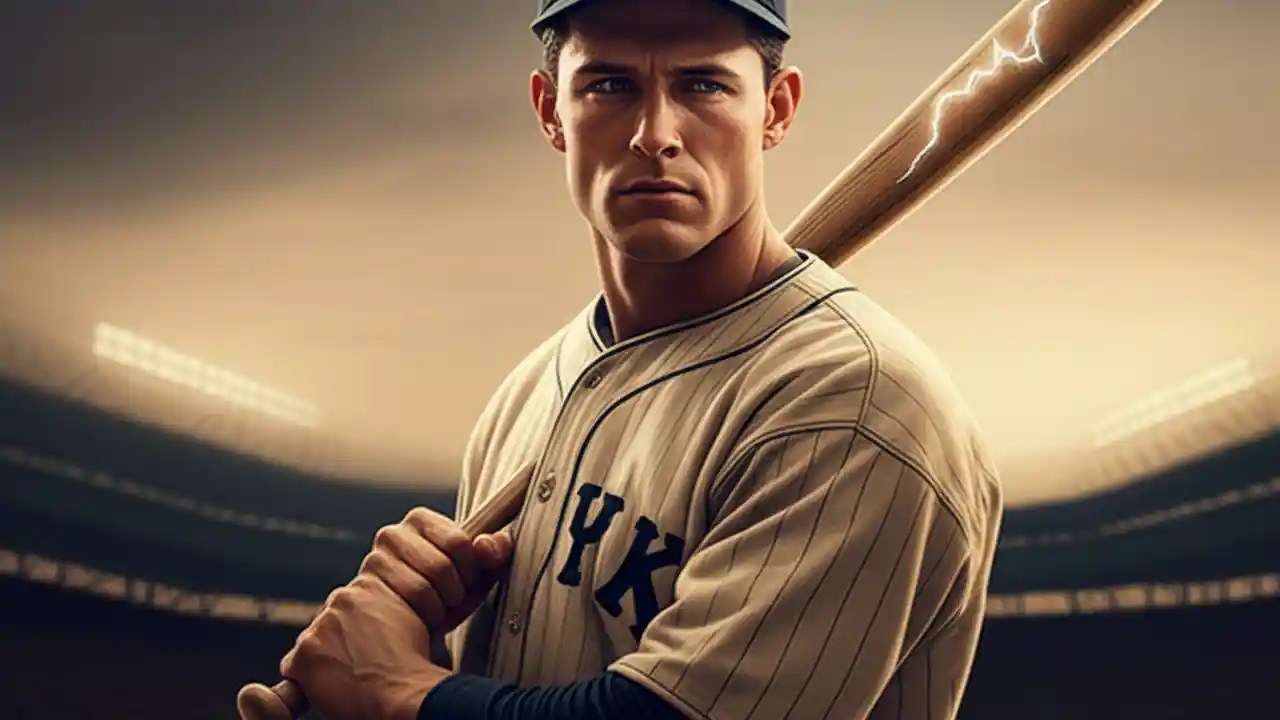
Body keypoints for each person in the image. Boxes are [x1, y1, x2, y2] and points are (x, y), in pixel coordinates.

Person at [278, 0, 1004, 718]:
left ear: (776, 109)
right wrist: (402, 637)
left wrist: (396, 688)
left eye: (703, 84)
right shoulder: (526, 396)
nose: (654, 135)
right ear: (551, 112)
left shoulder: (857, 402)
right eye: (610, 85)